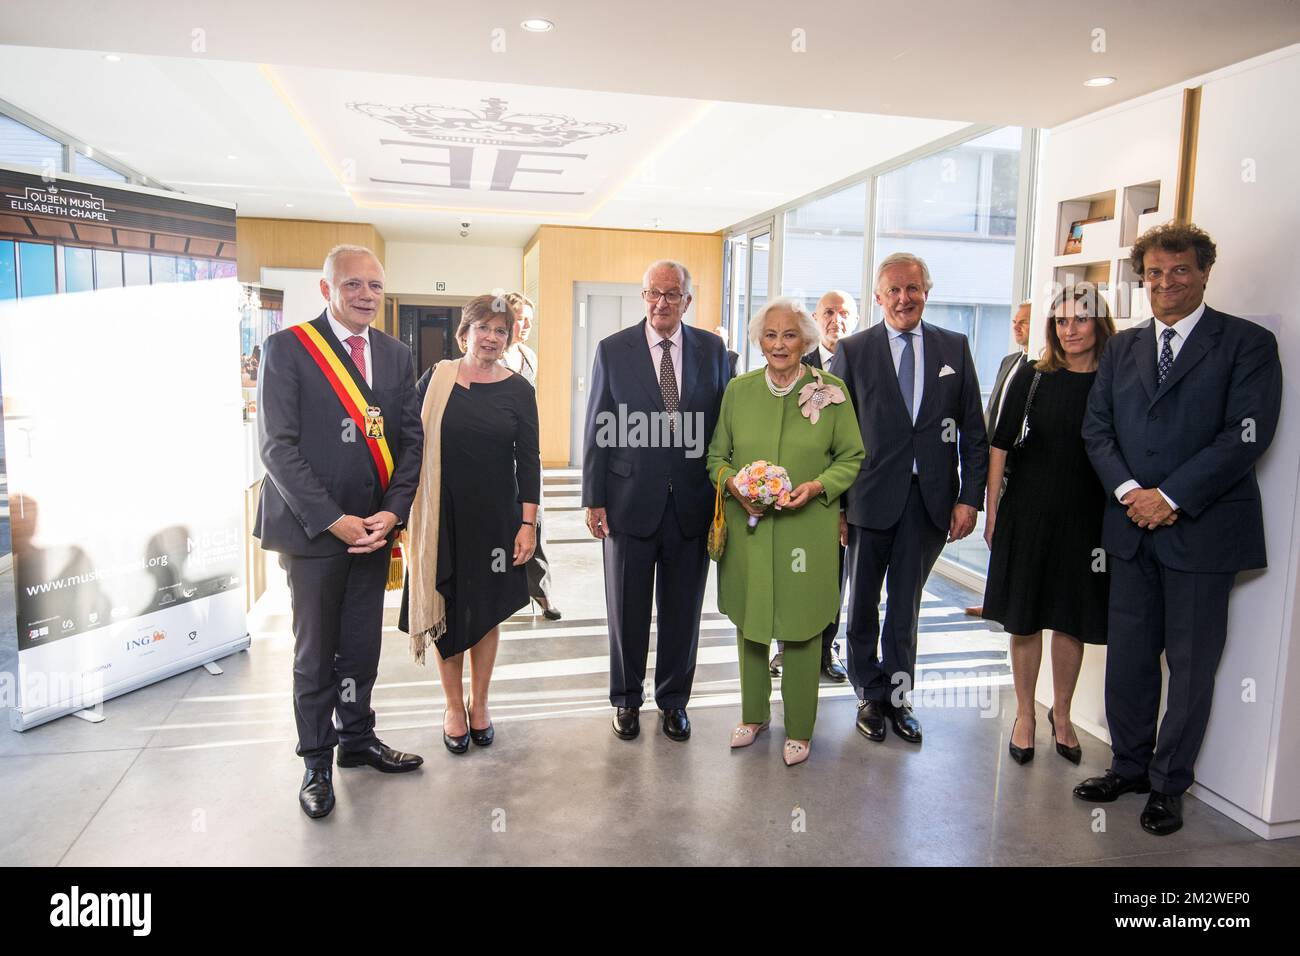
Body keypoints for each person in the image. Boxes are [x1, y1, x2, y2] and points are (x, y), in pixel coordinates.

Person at [1076, 223, 1282, 835]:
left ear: (1203, 272)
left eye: (1179, 270)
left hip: (1203, 532)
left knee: (1191, 666)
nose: (1165, 283)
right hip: (1129, 528)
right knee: (1130, 659)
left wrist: (1169, 497)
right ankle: (1131, 765)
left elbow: (1246, 434)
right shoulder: (1122, 348)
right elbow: (1097, 430)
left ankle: (1169, 785)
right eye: (1155, 273)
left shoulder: (1247, 343)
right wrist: (1129, 493)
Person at [255, 244, 425, 820]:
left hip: (375, 533)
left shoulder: (398, 356)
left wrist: (393, 511)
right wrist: (334, 519)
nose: (366, 297)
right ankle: (315, 762)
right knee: (314, 654)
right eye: (353, 285)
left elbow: (410, 443)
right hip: (314, 536)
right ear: (327, 290)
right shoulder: (288, 349)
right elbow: (278, 448)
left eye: (375, 286)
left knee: (360, 646)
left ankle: (356, 740)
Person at [830, 252, 988, 745]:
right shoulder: (854, 351)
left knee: (906, 605)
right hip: (867, 499)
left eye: (913, 288)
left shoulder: (954, 349)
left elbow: (974, 433)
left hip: (929, 503)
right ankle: (868, 694)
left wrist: (970, 499)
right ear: (878, 297)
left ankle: (898, 699)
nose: (904, 298)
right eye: (894, 290)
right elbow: (834, 435)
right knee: (861, 606)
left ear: (927, 291)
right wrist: (835, 504)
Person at [707, 298, 864, 765]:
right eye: (771, 335)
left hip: (806, 532)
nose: (779, 344)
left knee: (801, 629)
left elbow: (851, 457)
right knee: (751, 623)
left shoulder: (830, 391)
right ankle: (753, 716)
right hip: (749, 530)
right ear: (759, 342)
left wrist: (818, 486)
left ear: (807, 341)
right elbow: (717, 457)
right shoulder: (739, 390)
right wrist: (734, 486)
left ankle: (800, 727)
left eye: (790, 335)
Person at [582, 260, 731, 742]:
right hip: (628, 501)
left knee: (683, 611)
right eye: (653, 293)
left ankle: (673, 701)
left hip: (692, 501)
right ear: (642, 297)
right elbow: (597, 425)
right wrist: (594, 496)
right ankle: (625, 699)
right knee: (625, 609)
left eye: (672, 294)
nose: (662, 302)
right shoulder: (613, 350)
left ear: (688, 300)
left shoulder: (713, 351)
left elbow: (724, 427)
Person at [981, 284, 1115, 766]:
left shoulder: (1114, 379)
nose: (1070, 329)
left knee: (1071, 617)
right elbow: (999, 442)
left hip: (1089, 514)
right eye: (1061, 320)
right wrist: (992, 509)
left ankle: (1062, 715)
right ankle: (1024, 715)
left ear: (1099, 322)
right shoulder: (1034, 375)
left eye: (1080, 318)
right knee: (1025, 614)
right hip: (1028, 508)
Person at [400, 294, 540, 755]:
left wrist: (527, 524)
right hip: (442, 515)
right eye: (484, 328)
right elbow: (410, 441)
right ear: (465, 333)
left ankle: (481, 704)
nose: (492, 337)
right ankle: (453, 707)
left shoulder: (519, 390)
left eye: (501, 331)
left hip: (496, 520)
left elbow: (530, 460)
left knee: (484, 614)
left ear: (509, 338)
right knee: (449, 607)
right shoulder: (436, 378)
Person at [771, 289, 859, 682]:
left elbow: (855, 445)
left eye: (843, 313)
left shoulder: (861, 360)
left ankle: (826, 649)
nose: (835, 319)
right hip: (791, 493)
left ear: (853, 319)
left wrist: (844, 505)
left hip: (836, 494)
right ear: (814, 320)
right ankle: (785, 648)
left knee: (830, 577)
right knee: (788, 574)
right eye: (827, 312)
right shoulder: (793, 361)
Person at [965, 299, 1030, 618]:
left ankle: (1004, 602)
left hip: (1023, 467)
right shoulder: (1010, 360)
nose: (1017, 327)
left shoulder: (1044, 368)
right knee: (995, 531)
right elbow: (994, 411)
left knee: (1011, 537)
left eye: (1025, 322)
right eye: (1015, 321)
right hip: (997, 457)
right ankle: (994, 599)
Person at [502, 291, 562, 621]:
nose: (525, 325)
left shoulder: (529, 356)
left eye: (529, 320)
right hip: (496, 455)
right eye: (520, 318)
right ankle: (499, 591)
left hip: (525, 453)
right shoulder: (491, 358)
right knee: (499, 520)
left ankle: (540, 590)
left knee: (534, 519)